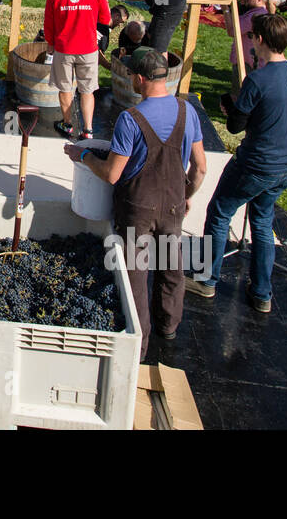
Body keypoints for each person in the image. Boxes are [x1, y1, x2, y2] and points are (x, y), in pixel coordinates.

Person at [69, 49, 207, 361]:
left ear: (140, 79)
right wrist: (185, 195)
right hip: (173, 206)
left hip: (137, 210)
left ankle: (137, 348)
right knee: (172, 268)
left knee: (135, 276)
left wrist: (83, 156)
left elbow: (112, 173)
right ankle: (168, 327)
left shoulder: (130, 120)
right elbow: (200, 169)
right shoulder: (188, 113)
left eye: (132, 74)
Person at [189, 14, 287, 313]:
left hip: (256, 164)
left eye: (253, 36)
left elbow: (234, 126)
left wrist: (229, 107)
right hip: (285, 166)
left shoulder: (257, 80)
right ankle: (261, 294)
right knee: (262, 222)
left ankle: (207, 280)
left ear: (260, 40)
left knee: (219, 214)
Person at [46, 0, 111, 140]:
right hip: (88, 48)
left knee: (65, 88)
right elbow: (106, 19)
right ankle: (88, 130)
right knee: (87, 90)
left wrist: (50, 44)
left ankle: (67, 125)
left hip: (64, 48)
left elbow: (49, 22)